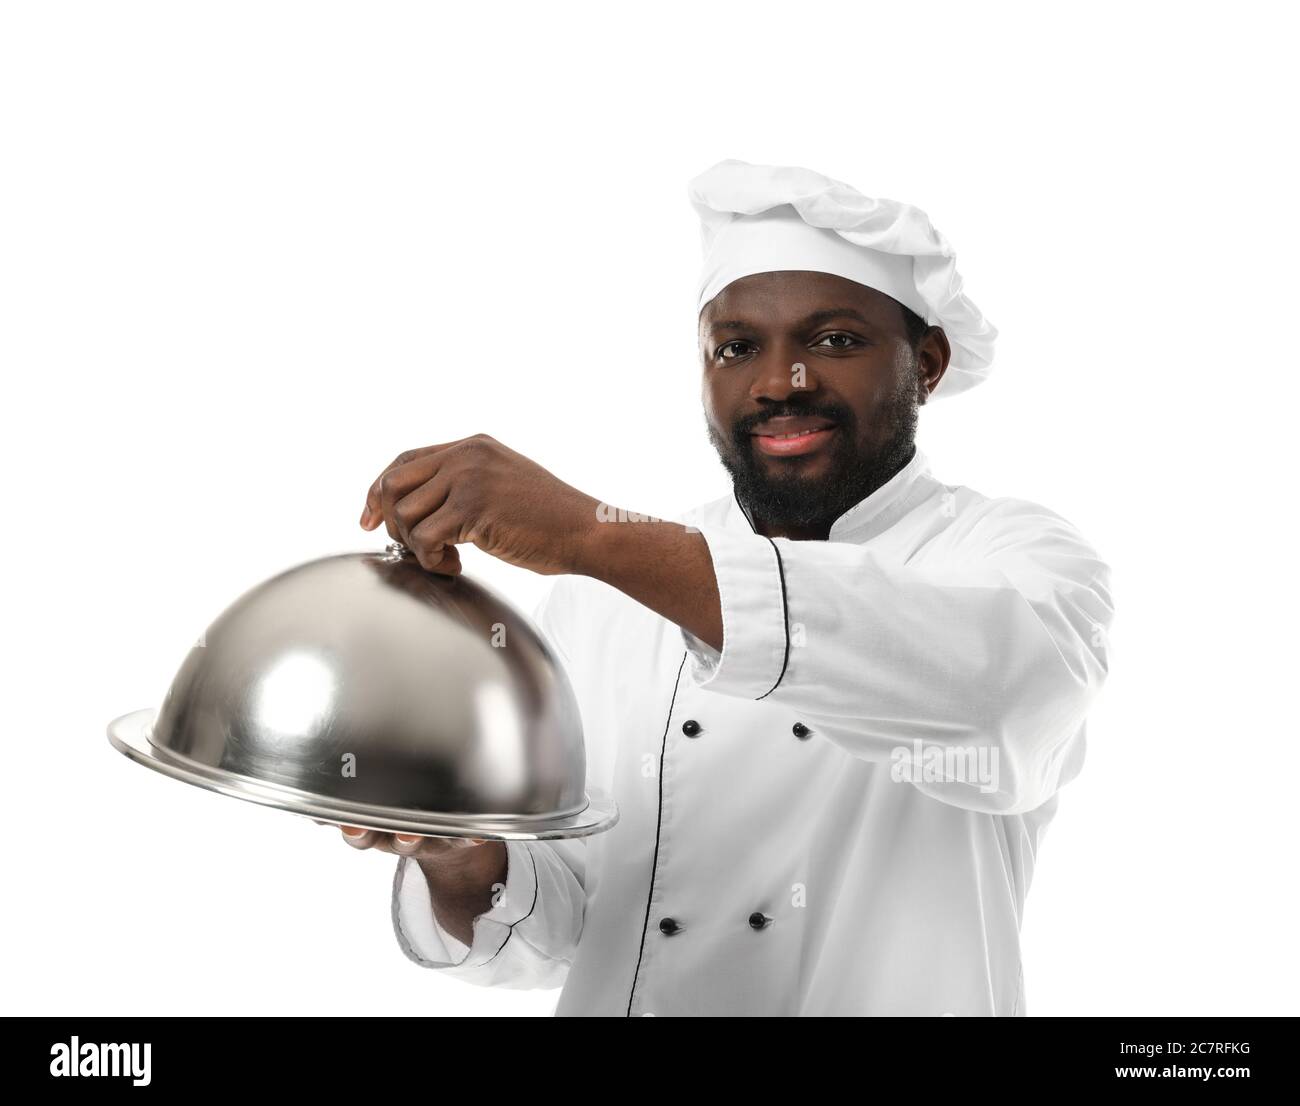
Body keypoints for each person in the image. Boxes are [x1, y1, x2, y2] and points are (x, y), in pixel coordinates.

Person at [331, 159, 1114, 1016]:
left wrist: (586, 533)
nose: (781, 383)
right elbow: (562, 924)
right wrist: (459, 853)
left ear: (925, 363)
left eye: (835, 341)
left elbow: (991, 700)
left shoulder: (1012, 557)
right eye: (737, 347)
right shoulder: (602, 600)